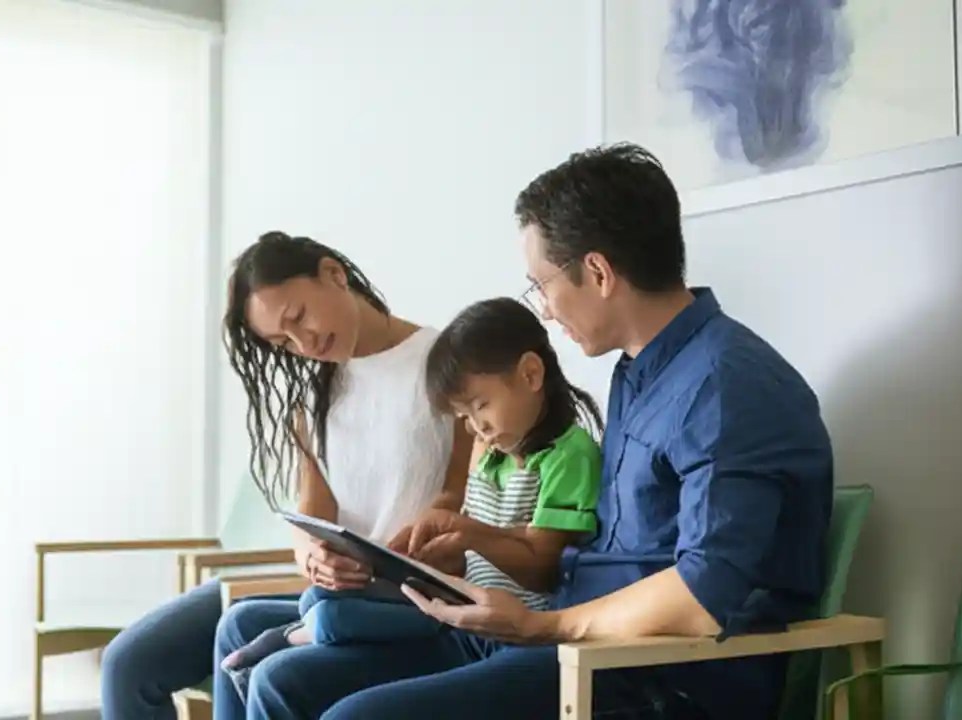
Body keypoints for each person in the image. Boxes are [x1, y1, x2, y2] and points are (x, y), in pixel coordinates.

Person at [213, 143, 834, 720]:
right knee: (288, 684)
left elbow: (701, 598)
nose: (542, 307)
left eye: (542, 284)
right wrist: (484, 561)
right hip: (564, 638)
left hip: (653, 676)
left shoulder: (724, 385)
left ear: (597, 273)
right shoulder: (640, 374)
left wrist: (541, 627)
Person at [100, 231, 472, 719]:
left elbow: (461, 497)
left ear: (333, 275)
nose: (304, 343)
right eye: (283, 341)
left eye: (298, 317)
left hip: (398, 600)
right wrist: (314, 556)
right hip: (329, 591)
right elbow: (310, 514)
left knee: (247, 632)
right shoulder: (316, 394)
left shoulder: (449, 363)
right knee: (127, 663)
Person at [217, 297, 603, 698]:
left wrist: (468, 534)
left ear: (531, 374)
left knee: (329, 617)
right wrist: (435, 556)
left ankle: (300, 633)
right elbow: (479, 553)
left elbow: (542, 569)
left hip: (502, 629)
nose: (475, 427)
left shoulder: (570, 455)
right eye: (464, 417)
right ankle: (301, 631)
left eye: (481, 406)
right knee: (320, 598)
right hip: (459, 612)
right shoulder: (493, 453)